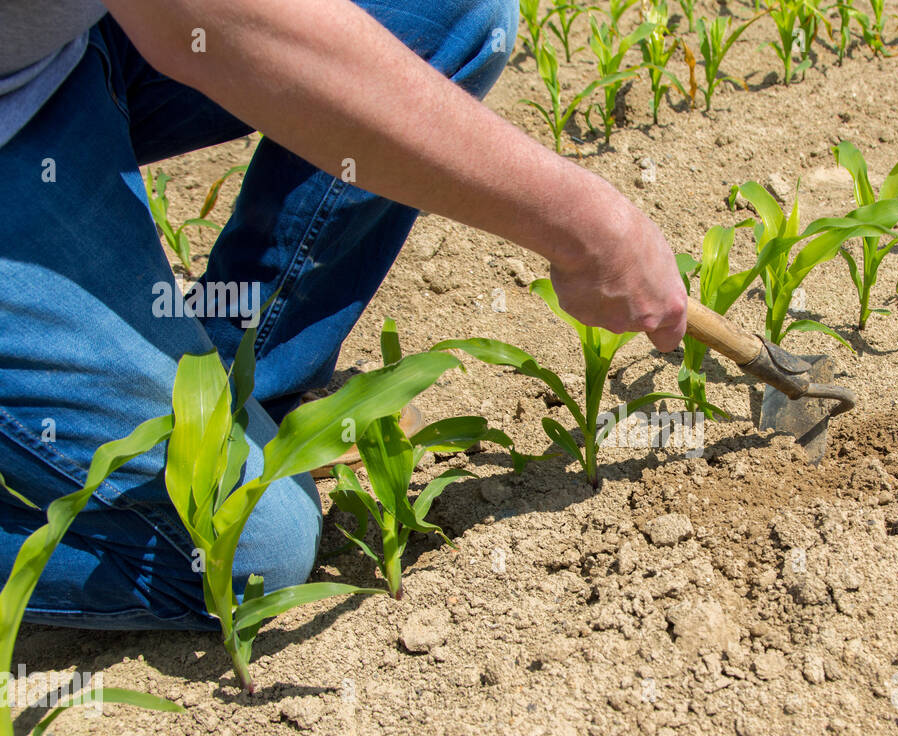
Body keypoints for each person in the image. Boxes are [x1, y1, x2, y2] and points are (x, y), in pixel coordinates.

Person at [0, 0, 688, 631]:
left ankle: (251, 392)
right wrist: (587, 225)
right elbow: (213, 25)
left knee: (457, 11)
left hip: (68, 43)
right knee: (246, 553)